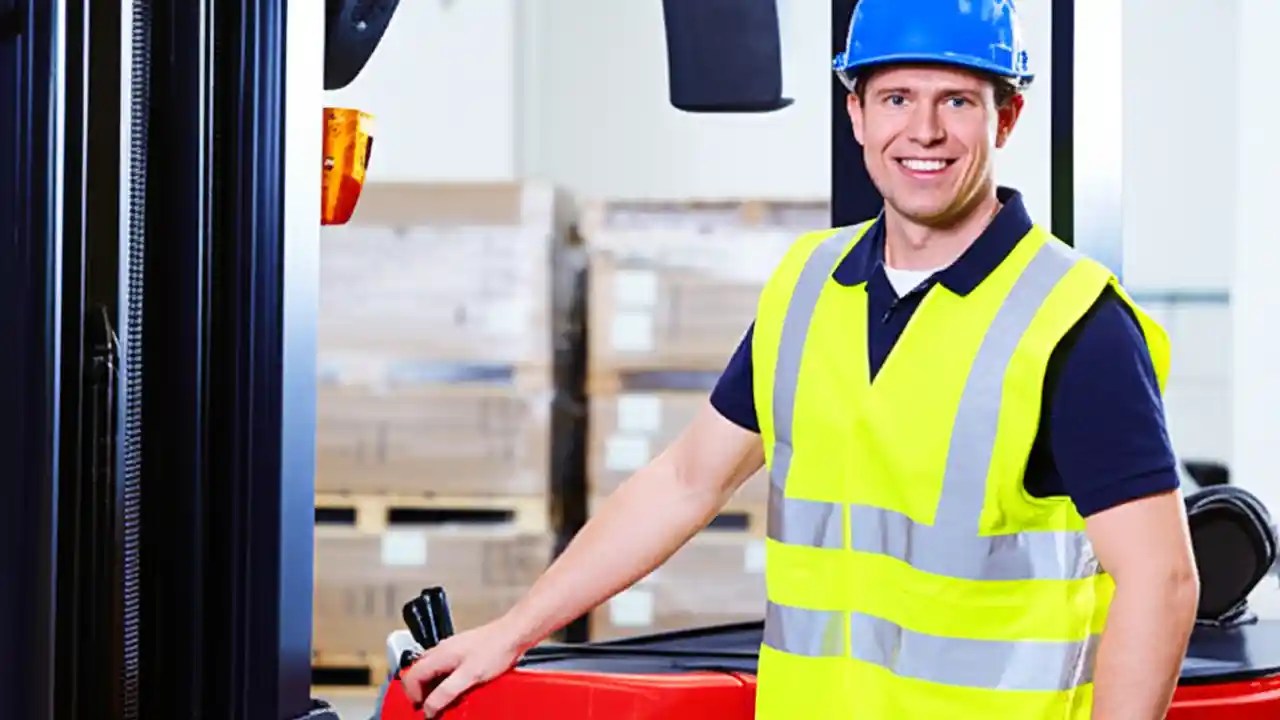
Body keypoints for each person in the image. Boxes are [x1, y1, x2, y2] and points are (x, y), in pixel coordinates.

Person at [400, 0, 1201, 717]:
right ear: (856, 113)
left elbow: (1161, 582)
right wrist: (513, 631)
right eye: (895, 98)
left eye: (956, 100)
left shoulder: (1072, 321)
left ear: (1007, 117)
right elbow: (686, 480)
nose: (922, 131)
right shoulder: (808, 286)